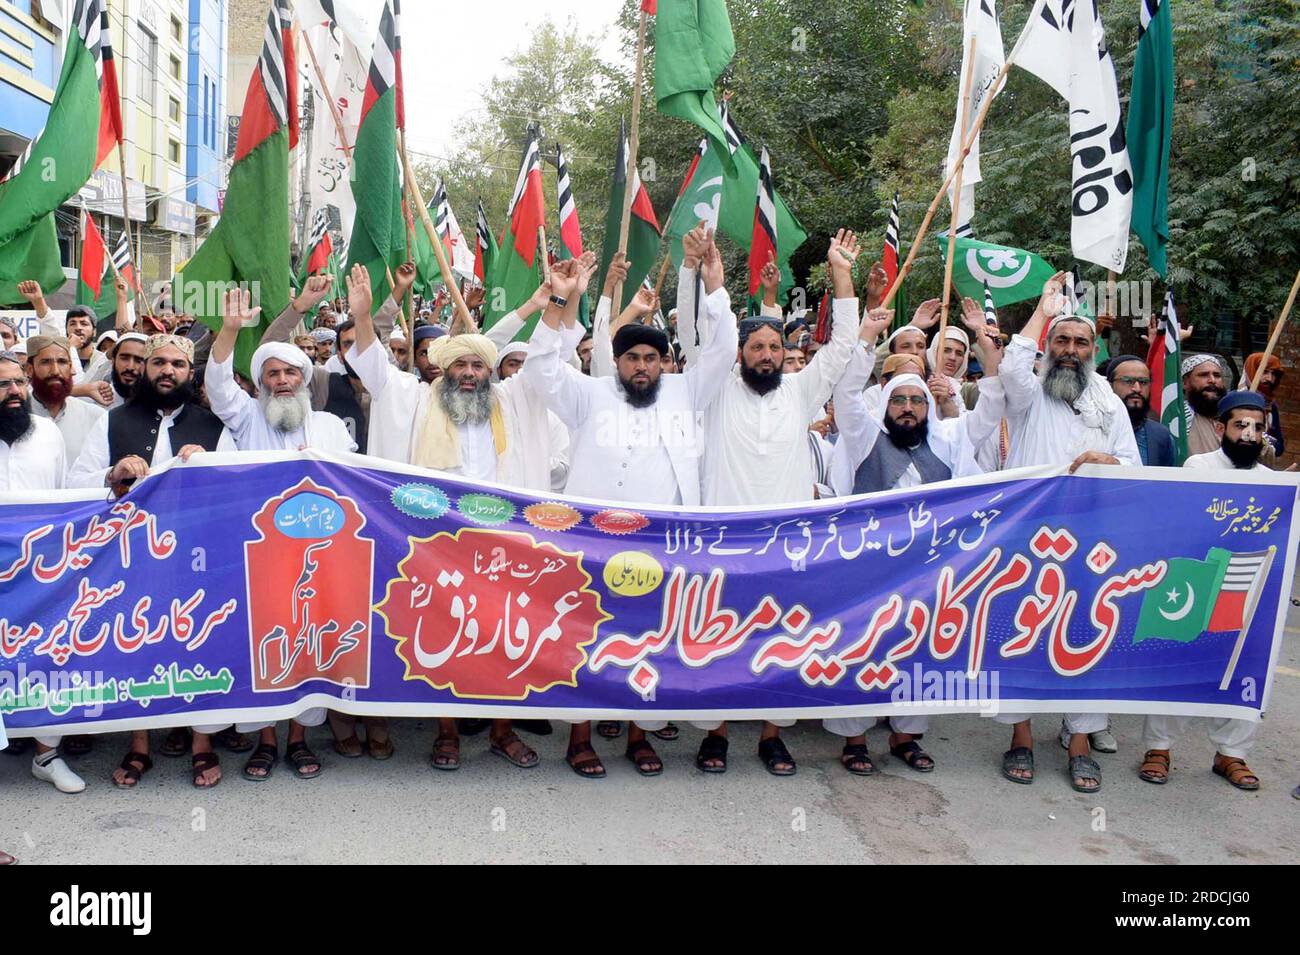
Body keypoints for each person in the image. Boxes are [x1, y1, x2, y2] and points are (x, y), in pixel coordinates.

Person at [524, 240, 738, 778]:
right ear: (615, 361)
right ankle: (580, 738)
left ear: (664, 363)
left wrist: (714, 287)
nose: (642, 367)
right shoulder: (590, 396)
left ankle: (639, 737)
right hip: (593, 543)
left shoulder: (687, 393)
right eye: (631, 358)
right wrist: (557, 300)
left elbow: (722, 350)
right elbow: (541, 370)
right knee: (585, 638)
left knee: (649, 641)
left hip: (661, 545)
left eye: (651, 358)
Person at [347, 261, 569, 771]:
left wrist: (551, 303)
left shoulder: (510, 402)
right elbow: (373, 364)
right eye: (460, 366)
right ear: (443, 370)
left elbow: (542, 359)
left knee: (509, 638)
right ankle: (446, 731)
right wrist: (363, 318)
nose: (469, 374)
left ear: (489, 373)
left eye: (478, 367)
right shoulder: (412, 399)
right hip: (437, 545)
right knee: (442, 635)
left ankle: (502, 731)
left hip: (504, 544)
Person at [680, 225, 861, 776]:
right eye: (755, 346)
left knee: (783, 640)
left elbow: (844, 347)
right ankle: (715, 733)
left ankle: (772, 734)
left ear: (787, 354)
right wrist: (695, 271)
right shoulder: (715, 390)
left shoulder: (802, 391)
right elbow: (695, 335)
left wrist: (841, 272)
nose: (765, 354)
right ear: (740, 354)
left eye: (774, 347)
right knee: (720, 642)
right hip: (723, 543)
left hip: (788, 546)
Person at [824, 308, 1004, 774]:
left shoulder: (947, 442)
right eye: (899, 400)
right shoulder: (864, 438)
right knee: (861, 651)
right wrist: (866, 336)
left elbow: (990, 414)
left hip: (928, 574)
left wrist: (987, 348)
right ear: (884, 406)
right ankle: (855, 740)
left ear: (928, 407)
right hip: (867, 570)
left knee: (916, 652)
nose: (908, 407)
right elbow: (845, 393)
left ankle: (907, 736)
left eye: (916, 401)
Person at [67, 334, 237, 787]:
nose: (167, 371)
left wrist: (209, 465)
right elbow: (75, 481)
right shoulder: (112, 421)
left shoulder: (212, 426)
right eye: (157, 362)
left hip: (193, 558)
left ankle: (202, 744)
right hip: (127, 557)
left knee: (195, 643)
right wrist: (113, 472)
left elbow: (239, 491)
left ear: (189, 373)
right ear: (144, 369)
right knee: (135, 646)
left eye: (177, 365)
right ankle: (138, 743)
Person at [997, 273, 1140, 793]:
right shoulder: (1029, 391)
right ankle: (1021, 737)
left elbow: (1133, 464)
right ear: (1049, 345)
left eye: (1080, 343)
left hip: (1093, 545)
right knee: (1022, 637)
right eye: (1062, 340)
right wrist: (1042, 311)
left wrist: (1109, 460)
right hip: (1029, 542)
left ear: (1093, 349)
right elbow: (1012, 364)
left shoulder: (1109, 400)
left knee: (1088, 636)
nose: (1070, 350)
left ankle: (1080, 744)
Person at [207, 287, 357, 782]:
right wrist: (230, 330)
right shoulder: (246, 417)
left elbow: (355, 487)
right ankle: (266, 740)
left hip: (322, 562)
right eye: (272, 373)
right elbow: (218, 382)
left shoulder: (333, 426)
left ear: (304, 378)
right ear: (262, 384)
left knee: (310, 647)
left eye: (291, 372)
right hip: (263, 562)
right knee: (269, 644)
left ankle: (300, 739)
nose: (282, 380)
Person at [1138, 391, 1271, 791]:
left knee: (1245, 667)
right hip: (1197, 581)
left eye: (1258, 427)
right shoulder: (1199, 465)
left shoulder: (1271, 482)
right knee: (1180, 662)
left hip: (1244, 590)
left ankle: (1231, 753)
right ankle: (1158, 749)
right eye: (1240, 425)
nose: (1249, 435)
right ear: (1220, 428)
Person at [0, 350, 84, 794]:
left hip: (38, 572)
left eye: (17, 382)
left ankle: (46, 755)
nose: (13, 392)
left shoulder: (47, 433)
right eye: (2, 385)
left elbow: (65, 497)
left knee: (46, 657)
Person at [25, 335, 106, 466]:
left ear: (71, 367)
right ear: (29, 369)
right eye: (45, 362)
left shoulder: (95, 417)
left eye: (62, 362)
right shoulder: (13, 416)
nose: (55, 371)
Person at [1108, 355, 1176, 466]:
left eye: (1143, 382)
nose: (1137, 389)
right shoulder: (1092, 428)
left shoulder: (1161, 435)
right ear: (1109, 386)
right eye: (1128, 381)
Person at [1181, 353, 1229, 457]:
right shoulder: (1179, 418)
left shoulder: (1231, 417)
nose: (1212, 380)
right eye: (1203, 375)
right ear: (1185, 383)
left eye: (1217, 375)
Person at [1241, 352, 1285, 456]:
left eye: (1274, 374)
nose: (1269, 379)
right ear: (1251, 371)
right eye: (1264, 372)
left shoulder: (1271, 406)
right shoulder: (1234, 400)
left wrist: (1264, 441)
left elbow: (1279, 447)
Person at [102, 333, 149, 410]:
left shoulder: (159, 407)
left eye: (139, 360)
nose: (130, 367)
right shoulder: (98, 400)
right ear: (113, 360)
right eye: (124, 358)